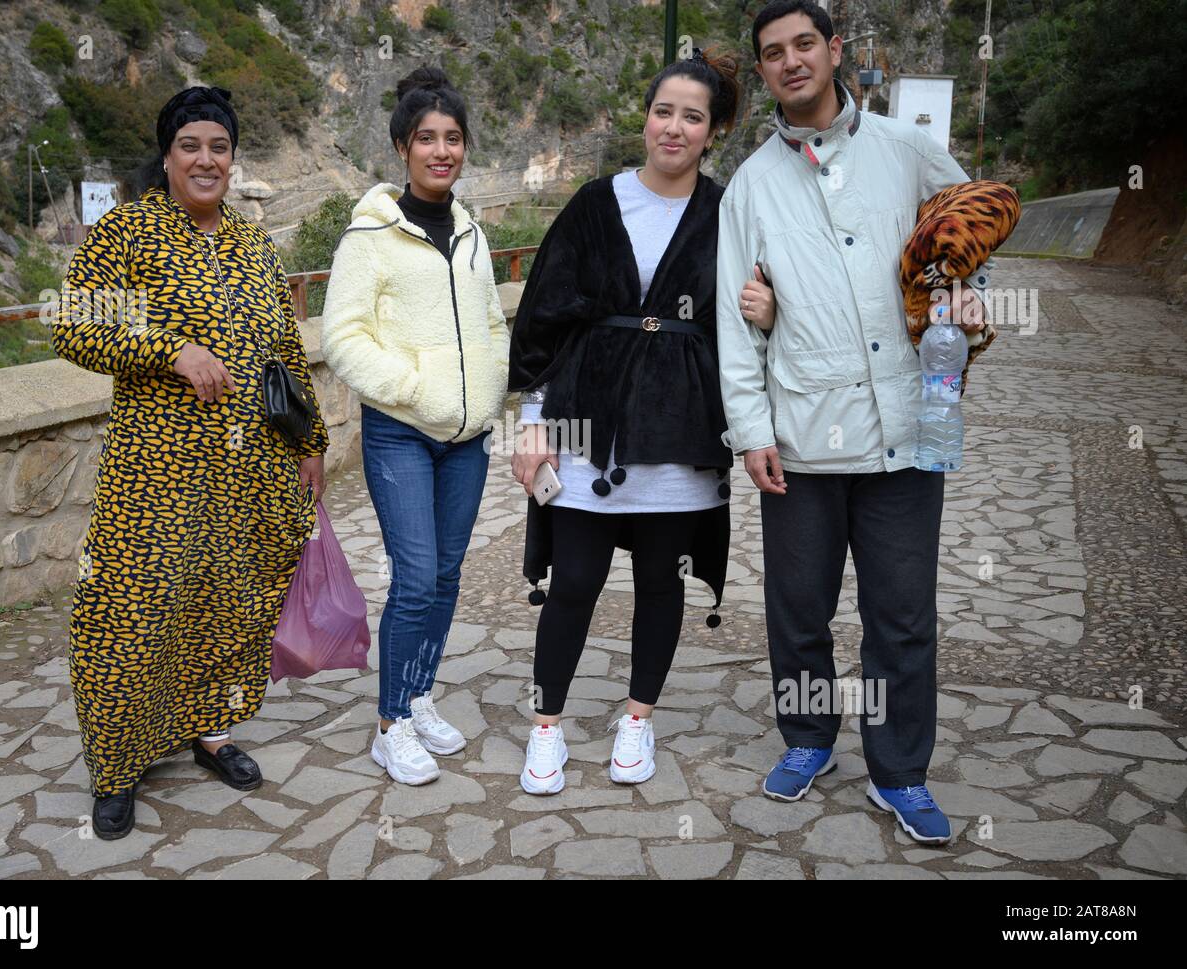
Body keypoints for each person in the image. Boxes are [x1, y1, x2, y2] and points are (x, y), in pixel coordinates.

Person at [717, 0, 991, 844]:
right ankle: (808, 739)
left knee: (902, 613)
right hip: (802, 430)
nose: (792, 61)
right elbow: (735, 318)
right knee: (799, 608)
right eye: (773, 53)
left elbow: (969, 227)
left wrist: (965, 294)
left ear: (836, 51)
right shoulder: (753, 183)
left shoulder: (906, 151)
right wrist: (749, 429)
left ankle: (900, 770)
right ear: (761, 70)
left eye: (806, 44)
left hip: (909, 425)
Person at [53, 86, 328, 840]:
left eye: (219, 147)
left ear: (233, 159)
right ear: (168, 156)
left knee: (231, 603)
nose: (206, 160)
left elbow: (285, 353)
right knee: (130, 612)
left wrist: (312, 443)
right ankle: (115, 766)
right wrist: (167, 350)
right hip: (157, 474)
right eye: (191, 146)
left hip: (250, 472)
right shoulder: (130, 231)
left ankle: (211, 731)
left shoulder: (253, 245)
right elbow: (74, 325)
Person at [509, 49, 773, 794]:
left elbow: (752, 316)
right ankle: (547, 729)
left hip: (683, 428)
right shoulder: (596, 203)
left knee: (663, 581)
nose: (674, 128)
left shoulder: (729, 212)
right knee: (575, 582)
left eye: (694, 117)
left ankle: (636, 719)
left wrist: (771, 310)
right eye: (664, 111)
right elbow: (544, 315)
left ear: (713, 130)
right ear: (646, 117)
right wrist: (534, 417)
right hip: (588, 420)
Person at [319, 67, 510, 786]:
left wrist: (485, 391)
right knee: (415, 580)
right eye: (426, 137)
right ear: (402, 146)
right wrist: (416, 389)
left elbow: (490, 317)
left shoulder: (470, 232)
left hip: (467, 438)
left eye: (453, 138)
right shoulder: (370, 234)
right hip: (402, 433)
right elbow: (342, 337)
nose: (442, 150)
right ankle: (390, 724)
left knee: (449, 575)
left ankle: (419, 694)